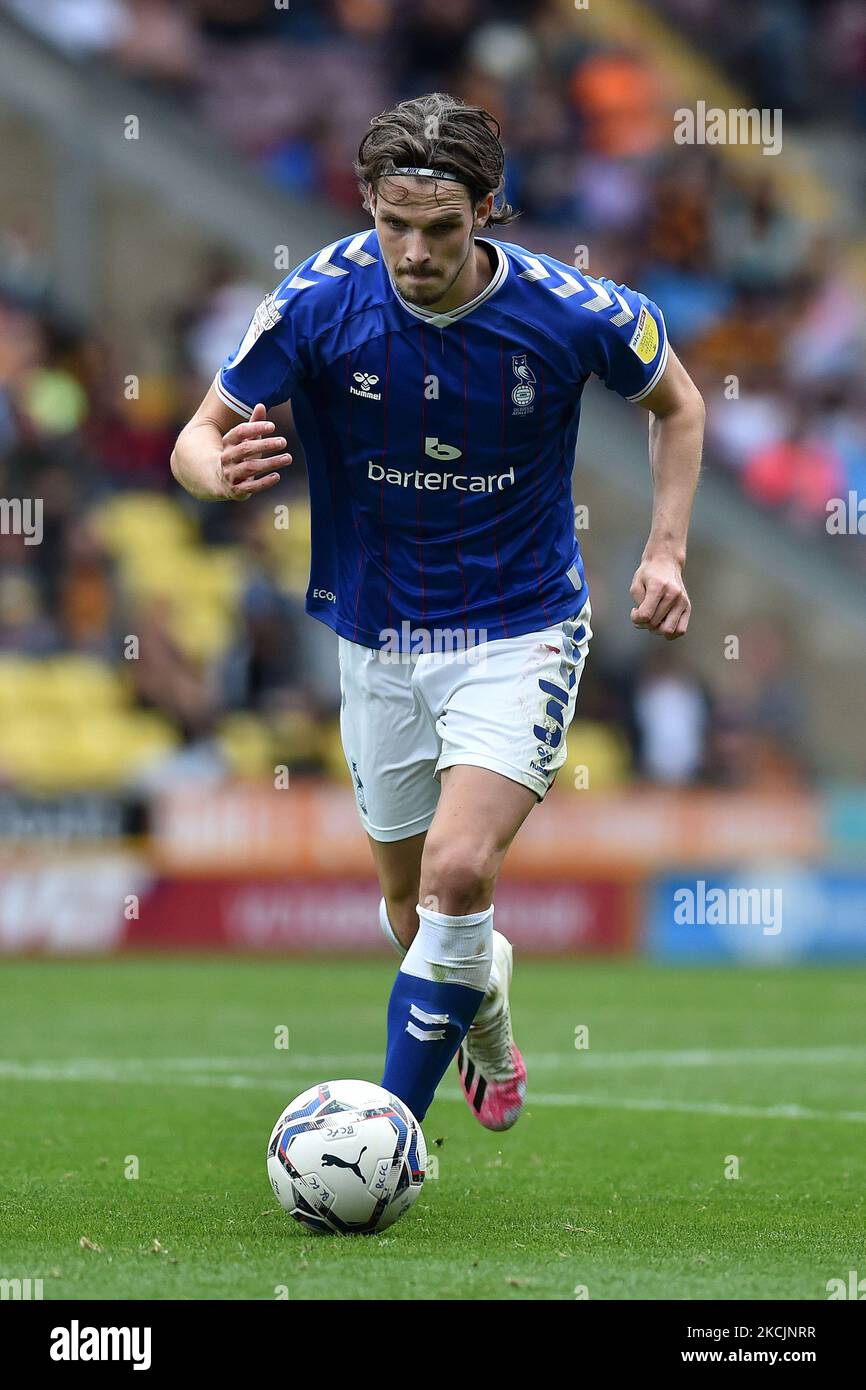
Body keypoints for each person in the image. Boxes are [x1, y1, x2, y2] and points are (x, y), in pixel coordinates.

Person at [171, 93, 704, 1132]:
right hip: (375, 633)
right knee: (412, 907)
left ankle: (389, 1136)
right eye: (393, 223)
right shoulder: (318, 301)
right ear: (367, 204)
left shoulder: (570, 311)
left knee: (460, 869)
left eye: (440, 228)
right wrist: (213, 473)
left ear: (489, 210)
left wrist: (666, 548)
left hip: (519, 627)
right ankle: (488, 1022)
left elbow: (676, 403)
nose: (413, 251)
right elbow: (199, 432)